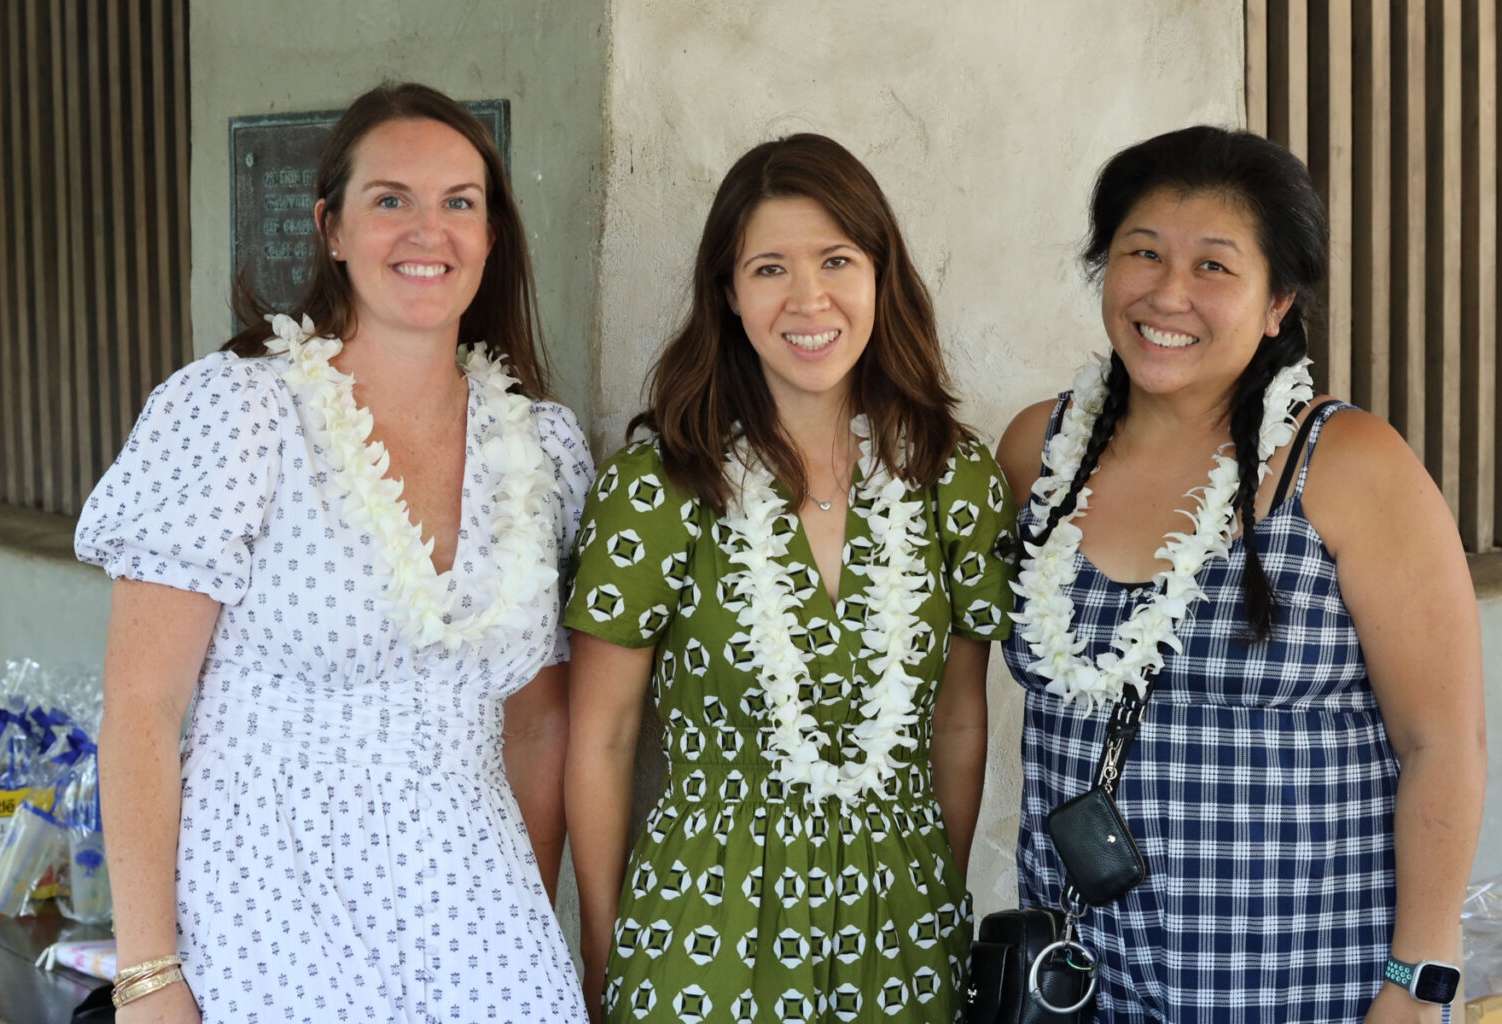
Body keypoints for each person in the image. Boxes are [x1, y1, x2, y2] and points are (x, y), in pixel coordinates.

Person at [75, 82, 591, 1023]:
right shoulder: (236, 412)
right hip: (270, 894)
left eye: (458, 204)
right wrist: (148, 973)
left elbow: (540, 724)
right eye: (390, 200)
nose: (426, 231)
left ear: (491, 235)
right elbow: (142, 709)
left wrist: (527, 920)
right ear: (333, 229)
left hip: (478, 900)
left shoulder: (542, 447)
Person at [998, 125, 1485, 1023]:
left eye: (1214, 266)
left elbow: (1441, 744)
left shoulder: (1348, 465)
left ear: (1277, 303)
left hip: (1306, 987)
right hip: (1081, 987)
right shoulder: (1041, 452)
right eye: (1141, 253)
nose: (1168, 293)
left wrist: (1419, 984)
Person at [563, 133, 1017, 1024]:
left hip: (904, 922)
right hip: (702, 920)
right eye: (769, 268)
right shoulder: (660, 484)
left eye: (837, 260)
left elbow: (961, 716)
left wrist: (937, 893)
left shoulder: (953, 476)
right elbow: (604, 736)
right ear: (728, 295)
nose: (809, 299)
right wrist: (607, 947)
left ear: (881, 276)